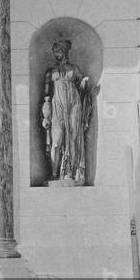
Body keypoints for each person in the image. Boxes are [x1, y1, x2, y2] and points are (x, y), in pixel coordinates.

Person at [41, 39, 93, 185]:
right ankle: (54, 173)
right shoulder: (50, 72)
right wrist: (46, 116)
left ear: (64, 51)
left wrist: (83, 84)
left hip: (74, 104)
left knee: (73, 137)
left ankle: (71, 172)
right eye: (54, 51)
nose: (55, 54)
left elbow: (82, 90)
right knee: (56, 142)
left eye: (57, 51)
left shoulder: (74, 69)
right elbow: (45, 96)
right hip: (57, 105)